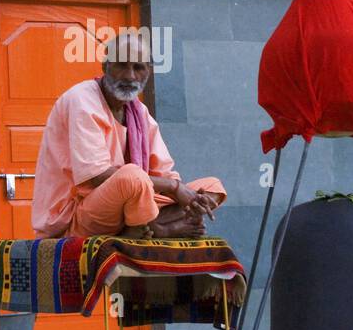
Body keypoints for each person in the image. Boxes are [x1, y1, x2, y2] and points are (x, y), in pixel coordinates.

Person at [31, 33, 226, 239]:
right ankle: (161, 229)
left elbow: (164, 173)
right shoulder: (81, 99)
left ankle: (143, 226)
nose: (130, 76)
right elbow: (97, 176)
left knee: (212, 187)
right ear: (105, 66)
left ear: (148, 72)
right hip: (78, 216)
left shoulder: (139, 112)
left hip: (130, 205)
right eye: (122, 65)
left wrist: (193, 200)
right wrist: (174, 188)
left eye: (138, 68)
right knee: (132, 177)